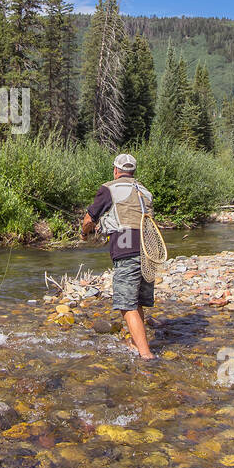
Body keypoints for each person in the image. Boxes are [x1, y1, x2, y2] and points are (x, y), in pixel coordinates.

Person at [81, 152, 155, 360]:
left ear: (115, 170)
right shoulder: (145, 191)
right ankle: (134, 344)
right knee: (137, 300)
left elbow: (89, 218)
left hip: (126, 248)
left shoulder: (109, 188)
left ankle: (146, 354)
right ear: (134, 172)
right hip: (149, 249)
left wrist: (84, 233)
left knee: (125, 304)